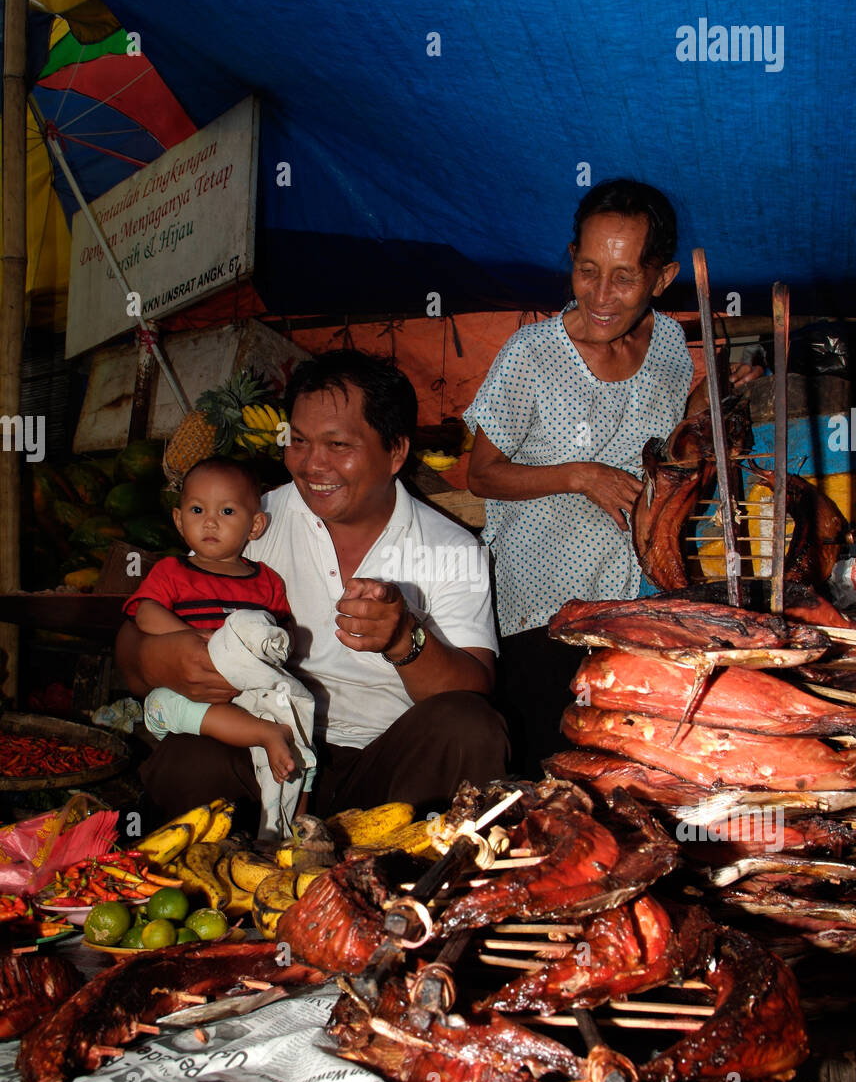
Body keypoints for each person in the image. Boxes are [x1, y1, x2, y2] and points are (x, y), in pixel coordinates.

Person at [116, 351, 508, 824]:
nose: (311, 464)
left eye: (338, 445)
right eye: (298, 440)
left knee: (471, 729)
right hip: (265, 749)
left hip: (384, 764)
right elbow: (133, 643)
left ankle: (408, 885)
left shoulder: (451, 548)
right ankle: (215, 889)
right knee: (187, 760)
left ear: (396, 452)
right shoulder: (249, 520)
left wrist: (405, 639)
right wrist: (159, 658)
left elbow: (474, 687)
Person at [464, 178, 760, 775]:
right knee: (545, 773)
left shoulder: (672, 343)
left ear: (662, 278)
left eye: (624, 277)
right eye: (588, 270)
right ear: (572, 259)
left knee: (618, 771)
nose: (601, 294)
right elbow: (481, 475)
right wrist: (579, 476)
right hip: (542, 612)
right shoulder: (532, 355)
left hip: (634, 604)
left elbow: (672, 432)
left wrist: (715, 396)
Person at [123, 457, 306, 787]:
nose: (209, 523)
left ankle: (292, 823)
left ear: (255, 525)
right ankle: (264, 734)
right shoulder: (172, 570)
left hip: (247, 691)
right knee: (159, 704)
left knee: (301, 730)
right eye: (197, 511)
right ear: (178, 520)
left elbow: (281, 635)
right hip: (189, 693)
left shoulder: (267, 581)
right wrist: (196, 641)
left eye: (226, 512)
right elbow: (146, 613)